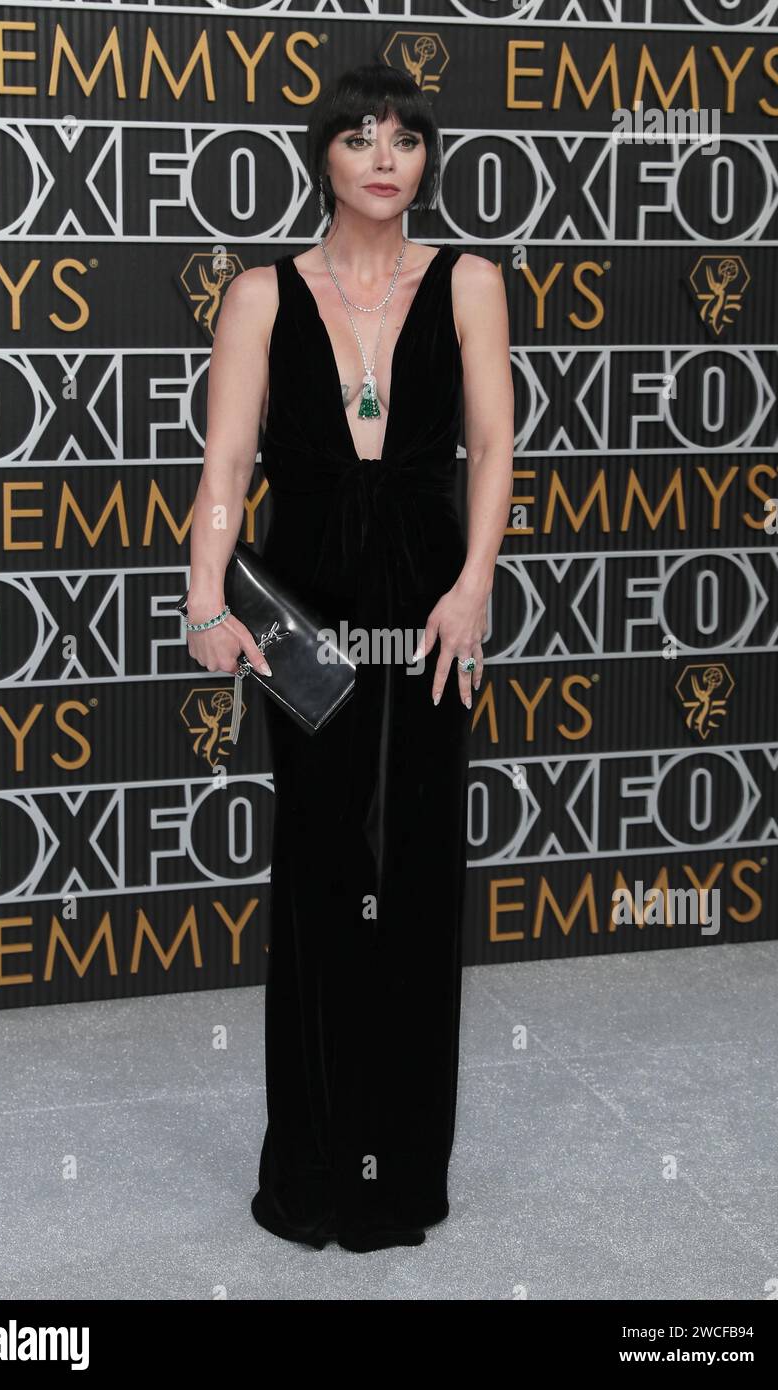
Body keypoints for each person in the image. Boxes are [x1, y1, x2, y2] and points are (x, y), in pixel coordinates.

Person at [184, 62, 514, 1252]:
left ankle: (398, 1174)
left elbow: (490, 448)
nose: (384, 158)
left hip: (429, 608)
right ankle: (314, 1169)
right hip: (305, 616)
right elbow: (225, 468)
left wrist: (473, 586)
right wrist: (204, 595)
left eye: (406, 139)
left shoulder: (470, 285)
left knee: (418, 869)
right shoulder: (260, 295)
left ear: (427, 159)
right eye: (360, 136)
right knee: (323, 871)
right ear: (320, 154)